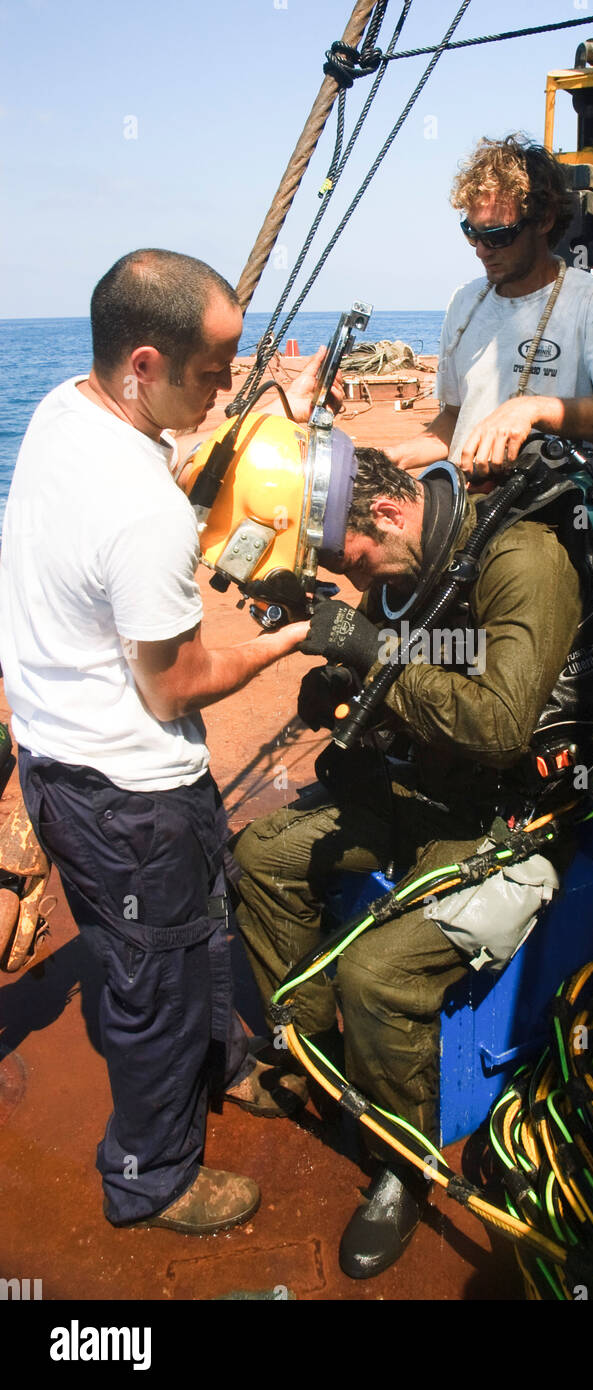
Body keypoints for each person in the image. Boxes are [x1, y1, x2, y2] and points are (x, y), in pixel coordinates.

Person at [0, 248, 340, 1236]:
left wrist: (276, 409)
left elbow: (174, 454)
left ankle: (223, 1059)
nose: (226, 388)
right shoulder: (143, 509)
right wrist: (285, 638)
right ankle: (152, 1177)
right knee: (154, 979)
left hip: (61, 767)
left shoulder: (71, 408)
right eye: (213, 372)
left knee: (183, 941)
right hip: (131, 795)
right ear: (145, 362)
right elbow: (174, 683)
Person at [230, 445, 583, 1279]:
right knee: (262, 854)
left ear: (387, 515)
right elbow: (408, 677)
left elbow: (498, 724)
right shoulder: (400, 571)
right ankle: (315, 1056)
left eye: (345, 563)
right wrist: (337, 685)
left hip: (512, 820)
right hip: (417, 790)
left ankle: (403, 1164)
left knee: (379, 975)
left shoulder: (522, 560)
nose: (348, 585)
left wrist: (370, 652)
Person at [387, 133, 593, 478]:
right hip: (469, 500)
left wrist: (532, 410)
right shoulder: (464, 302)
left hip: (552, 506)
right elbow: (455, 421)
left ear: (543, 221)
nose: (482, 250)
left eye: (497, 235)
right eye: (472, 233)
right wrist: (392, 457)